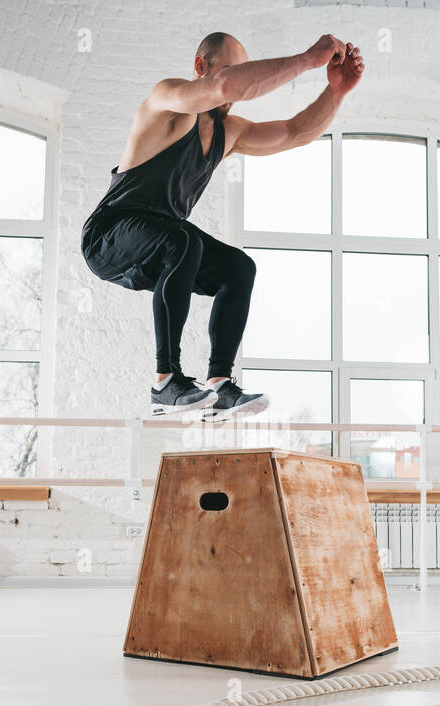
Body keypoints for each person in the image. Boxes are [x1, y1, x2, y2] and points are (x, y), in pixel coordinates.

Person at [81, 31, 365, 420]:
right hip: (108, 235)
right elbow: (225, 86)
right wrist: (307, 60)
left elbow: (295, 133)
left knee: (238, 268)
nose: (236, 90)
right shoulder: (167, 101)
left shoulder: (229, 133)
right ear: (201, 66)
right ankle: (166, 381)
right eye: (235, 69)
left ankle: (218, 386)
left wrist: (335, 92)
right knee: (182, 241)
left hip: (160, 243)